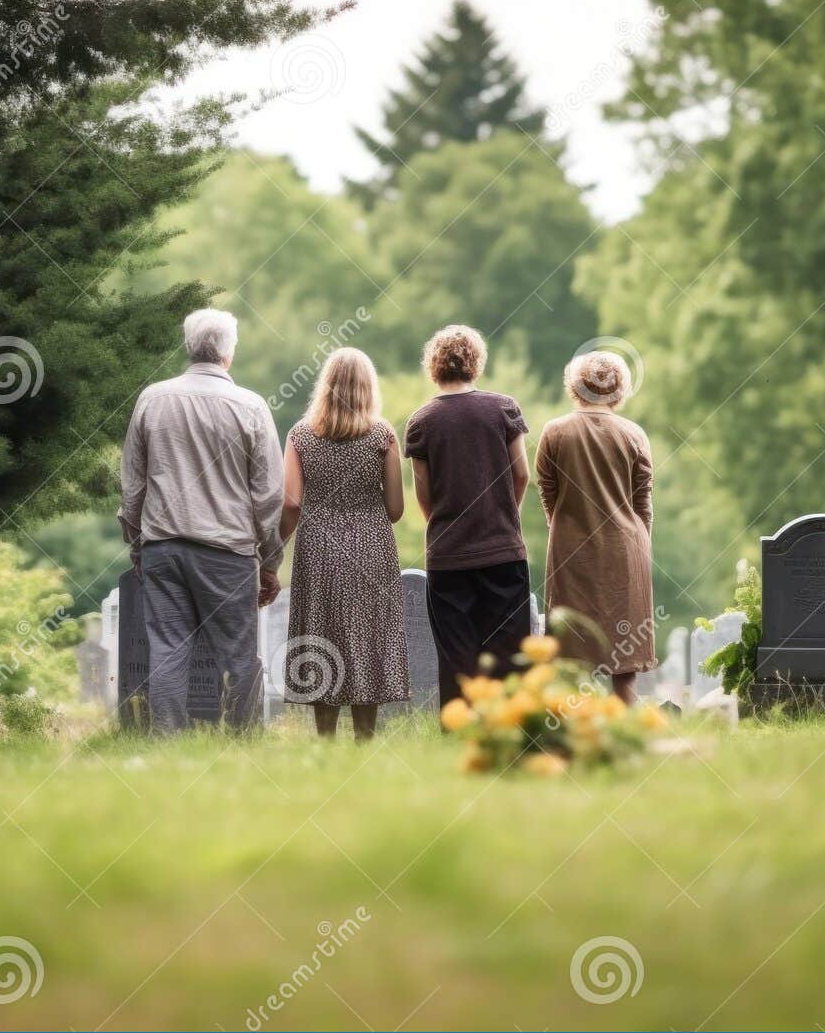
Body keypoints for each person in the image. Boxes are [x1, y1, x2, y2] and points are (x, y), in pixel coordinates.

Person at [118, 309, 283, 731]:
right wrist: (269, 561)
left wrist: (137, 544)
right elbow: (268, 496)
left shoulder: (152, 399)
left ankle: (166, 743)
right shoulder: (250, 406)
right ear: (229, 353)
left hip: (164, 546)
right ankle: (243, 742)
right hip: (226, 551)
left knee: (168, 651)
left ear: (190, 346)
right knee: (238, 654)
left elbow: (133, 486)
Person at [278, 348, 410, 739]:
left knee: (322, 633)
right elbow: (397, 509)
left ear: (326, 386)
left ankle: (324, 739)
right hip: (371, 545)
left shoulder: (301, 434)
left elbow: (292, 502)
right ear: (368, 387)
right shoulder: (383, 435)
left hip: (318, 545)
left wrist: (273, 551)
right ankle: (365, 738)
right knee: (368, 634)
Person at [404, 325, 532, 705]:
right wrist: (505, 514)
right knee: (510, 654)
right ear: (476, 362)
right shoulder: (503, 408)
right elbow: (522, 474)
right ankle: (511, 731)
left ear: (434, 366)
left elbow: (423, 494)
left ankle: (460, 731)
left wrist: (443, 523)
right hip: (503, 549)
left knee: (456, 655)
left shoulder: (421, 421)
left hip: (447, 555)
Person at [534, 350, 656, 703]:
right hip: (627, 548)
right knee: (625, 656)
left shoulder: (554, 432)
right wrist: (641, 543)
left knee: (573, 654)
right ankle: (624, 733)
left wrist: (562, 527)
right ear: (620, 389)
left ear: (575, 385)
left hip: (570, 549)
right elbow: (642, 500)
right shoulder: (634, 434)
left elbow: (548, 491)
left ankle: (574, 732)